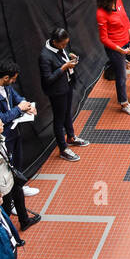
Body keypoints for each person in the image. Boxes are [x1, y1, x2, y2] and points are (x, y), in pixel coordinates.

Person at [0, 115, 39, 233]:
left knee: (19, 195)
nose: (3, 125)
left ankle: (24, 221)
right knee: (5, 210)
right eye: (0, 125)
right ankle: (9, 234)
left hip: (9, 175)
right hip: (2, 183)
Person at [38, 27, 88, 162]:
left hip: (67, 85)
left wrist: (69, 56)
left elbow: (62, 56)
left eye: (66, 44)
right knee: (59, 119)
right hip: (57, 91)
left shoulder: (59, 47)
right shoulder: (45, 56)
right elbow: (47, 79)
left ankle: (71, 137)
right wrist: (64, 67)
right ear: (54, 42)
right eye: (63, 45)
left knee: (67, 113)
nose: (64, 46)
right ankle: (63, 148)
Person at [0, 60, 38, 171]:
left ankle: (20, 187)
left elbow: (18, 98)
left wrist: (28, 105)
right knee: (8, 165)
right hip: (2, 135)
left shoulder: (7, 86)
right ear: (6, 78)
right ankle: (15, 188)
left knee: (18, 160)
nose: (14, 81)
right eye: (13, 79)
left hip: (14, 131)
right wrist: (19, 108)